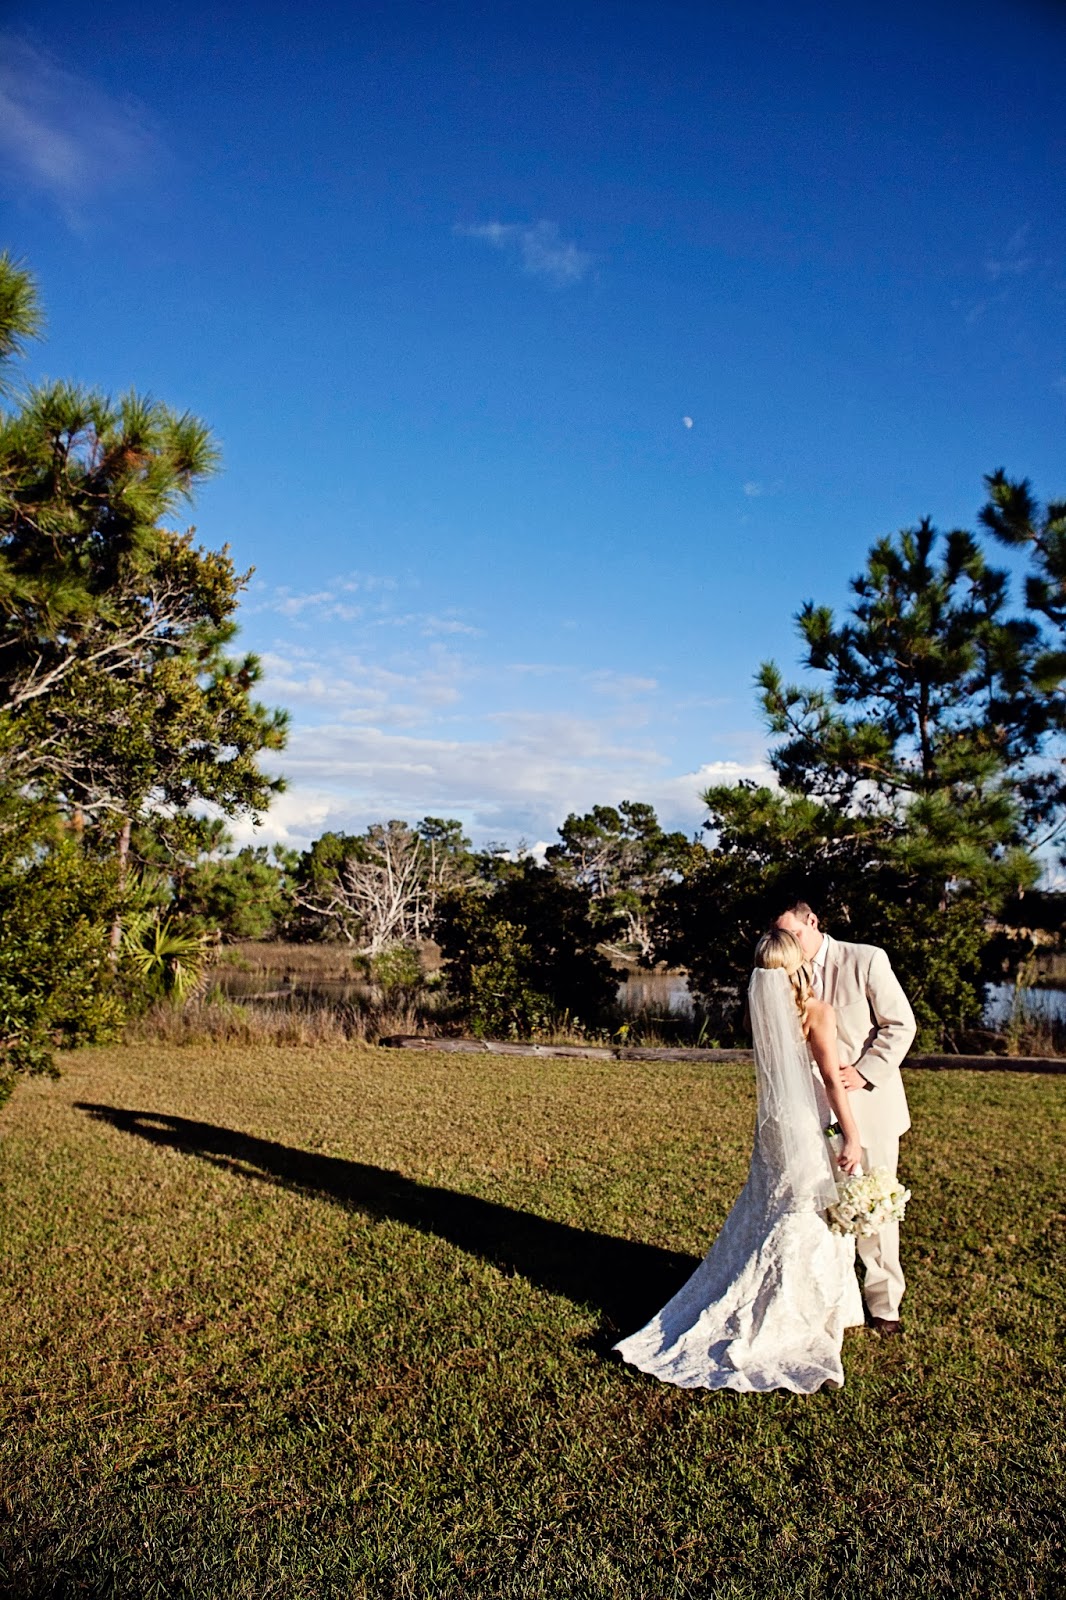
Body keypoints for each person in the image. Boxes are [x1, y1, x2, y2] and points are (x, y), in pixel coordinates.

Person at [613, 929, 866, 1393]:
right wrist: (852, 1135)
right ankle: (790, 1315)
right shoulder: (817, 1011)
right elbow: (831, 1078)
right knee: (804, 1214)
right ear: (797, 963)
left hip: (773, 1125)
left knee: (771, 1206)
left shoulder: (759, 1010)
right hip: (806, 1121)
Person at [772, 900, 916, 1335]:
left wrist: (865, 1071)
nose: (790, 943)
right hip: (808, 1110)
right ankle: (826, 1296)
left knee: (874, 1206)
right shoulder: (780, 968)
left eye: (794, 934)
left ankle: (884, 1305)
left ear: (812, 921)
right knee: (816, 1207)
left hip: (867, 1104)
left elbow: (900, 1024)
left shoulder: (866, 959)